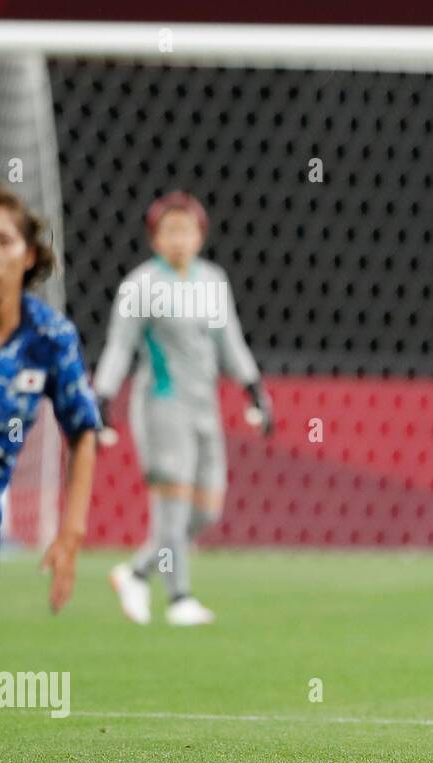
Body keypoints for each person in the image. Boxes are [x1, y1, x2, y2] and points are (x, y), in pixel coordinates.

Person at [94, 191, 273, 626]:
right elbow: (120, 346)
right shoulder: (141, 286)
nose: (178, 239)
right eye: (168, 230)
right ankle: (179, 598)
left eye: (186, 230)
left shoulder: (212, 280)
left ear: (200, 235)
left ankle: (136, 571)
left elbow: (229, 342)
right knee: (171, 510)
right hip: (162, 404)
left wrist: (254, 390)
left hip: (203, 406)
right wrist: (100, 396)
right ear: (154, 237)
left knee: (206, 510)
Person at [0, 185, 100, 714]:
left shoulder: (49, 338)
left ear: (28, 254)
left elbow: (83, 431)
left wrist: (70, 533)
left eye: (1, 240)